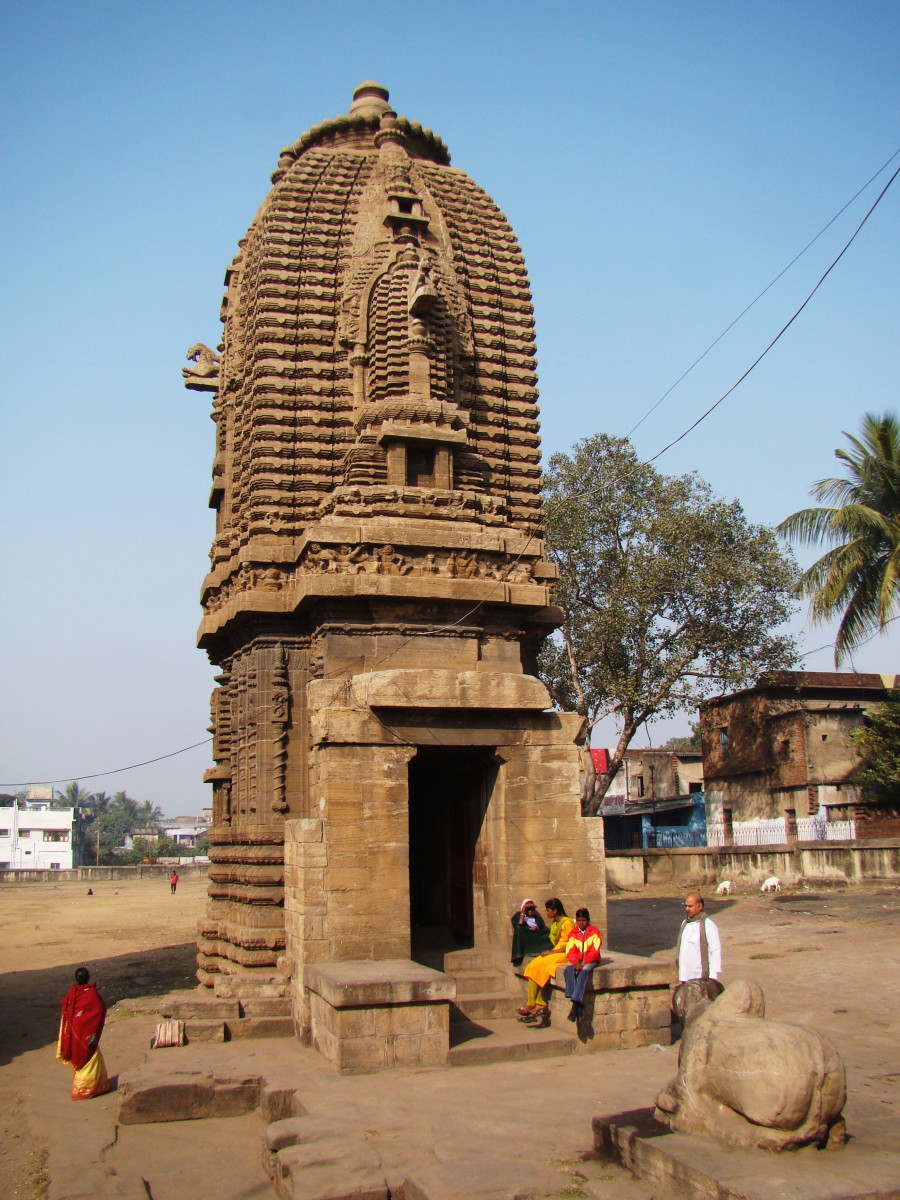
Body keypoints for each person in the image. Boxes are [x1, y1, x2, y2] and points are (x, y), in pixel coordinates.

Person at [517, 899, 575, 1028]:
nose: (547, 913)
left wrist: (551, 952)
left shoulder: (568, 923)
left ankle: (534, 1003)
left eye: (548, 911)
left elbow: (571, 945)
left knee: (541, 965)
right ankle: (536, 1002)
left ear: (555, 911)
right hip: (556, 951)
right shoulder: (555, 923)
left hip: (566, 953)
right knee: (533, 965)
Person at [57, 967, 109, 1100]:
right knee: (89, 1055)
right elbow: (99, 1010)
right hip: (86, 1033)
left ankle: (81, 1088)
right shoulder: (91, 994)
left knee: (79, 1055)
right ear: (88, 977)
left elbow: (65, 1009)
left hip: (74, 1032)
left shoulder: (72, 992)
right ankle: (90, 1088)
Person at [563, 907, 603, 1022]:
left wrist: (584, 962)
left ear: (588, 920)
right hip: (577, 960)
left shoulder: (594, 932)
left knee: (584, 972)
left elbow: (594, 951)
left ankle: (575, 1004)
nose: (581, 923)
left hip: (590, 960)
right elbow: (570, 950)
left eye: (584, 920)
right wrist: (576, 962)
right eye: (579, 920)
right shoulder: (573, 933)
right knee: (568, 970)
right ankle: (577, 1002)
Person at [677, 892, 722, 983]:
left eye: (690, 906)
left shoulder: (708, 925)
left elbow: (715, 950)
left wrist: (713, 977)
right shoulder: (684, 924)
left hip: (700, 978)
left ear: (700, 906)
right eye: (686, 906)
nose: (687, 909)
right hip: (684, 977)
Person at [510, 898, 552, 965]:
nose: (530, 911)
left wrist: (537, 927)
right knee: (519, 929)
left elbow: (541, 927)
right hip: (526, 937)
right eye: (528, 909)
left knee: (549, 933)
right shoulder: (519, 915)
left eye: (532, 909)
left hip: (536, 936)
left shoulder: (536, 917)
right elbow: (520, 924)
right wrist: (524, 909)